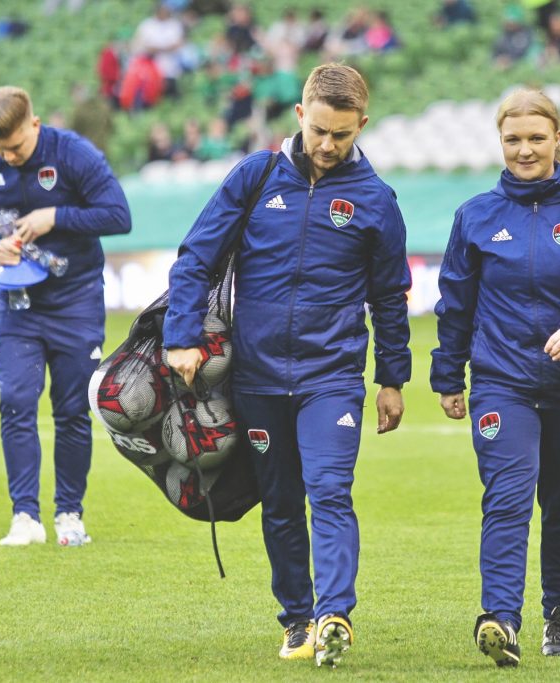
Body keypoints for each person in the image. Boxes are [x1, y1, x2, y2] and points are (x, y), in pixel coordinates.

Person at [164, 63, 411, 668]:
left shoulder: (376, 200)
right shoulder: (255, 177)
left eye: (342, 135)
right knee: (279, 501)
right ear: (300, 115)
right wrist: (181, 337)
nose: (328, 145)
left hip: (332, 377)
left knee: (329, 488)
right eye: (320, 130)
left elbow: (389, 296)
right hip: (257, 376)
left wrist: (392, 378)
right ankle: (297, 620)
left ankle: (334, 614)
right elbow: (196, 257)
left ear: (362, 126)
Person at [431, 89, 560, 667]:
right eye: (513, 139)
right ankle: (499, 619)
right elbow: (455, 303)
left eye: (536, 139)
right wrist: (448, 375)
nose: (524, 150)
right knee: (508, 496)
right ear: (501, 142)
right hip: (502, 381)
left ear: (557, 139)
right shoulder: (475, 215)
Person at [0, 86, 131, 546]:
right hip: (17, 307)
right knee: (16, 399)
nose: (9, 157)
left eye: (16, 146)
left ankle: (70, 515)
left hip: (76, 302)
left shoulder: (74, 154)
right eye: (0, 149)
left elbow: (118, 215)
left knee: (73, 410)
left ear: (34, 124)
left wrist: (56, 216)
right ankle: (24, 517)